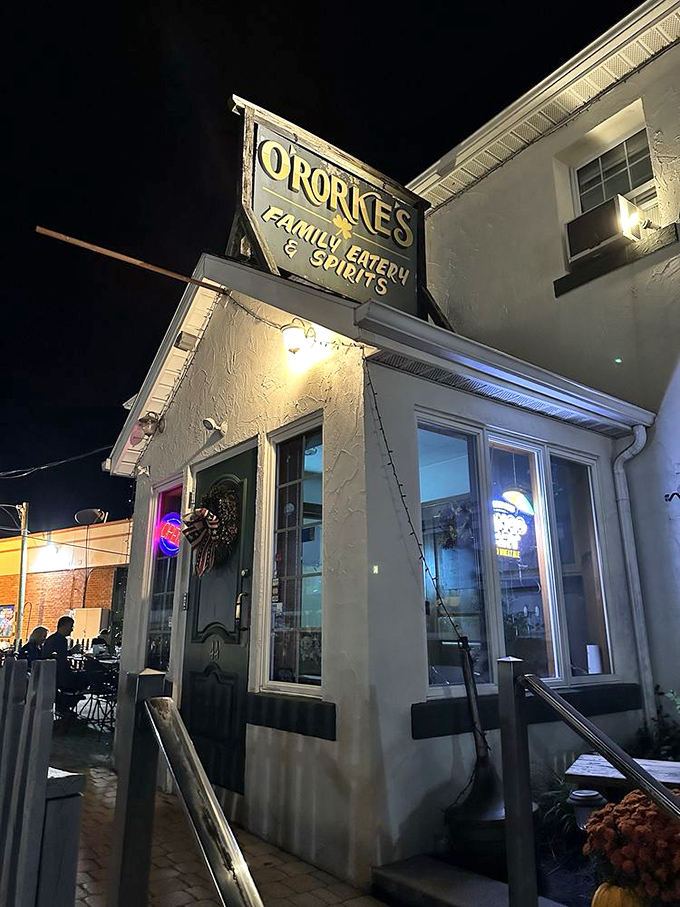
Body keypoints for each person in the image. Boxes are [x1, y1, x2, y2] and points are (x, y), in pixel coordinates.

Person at [41, 616, 89, 693]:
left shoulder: (53, 638)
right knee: (85, 676)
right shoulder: (60, 640)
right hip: (59, 675)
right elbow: (61, 659)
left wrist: (70, 652)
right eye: (71, 626)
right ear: (64, 625)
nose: (72, 629)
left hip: (53, 672)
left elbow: (60, 655)